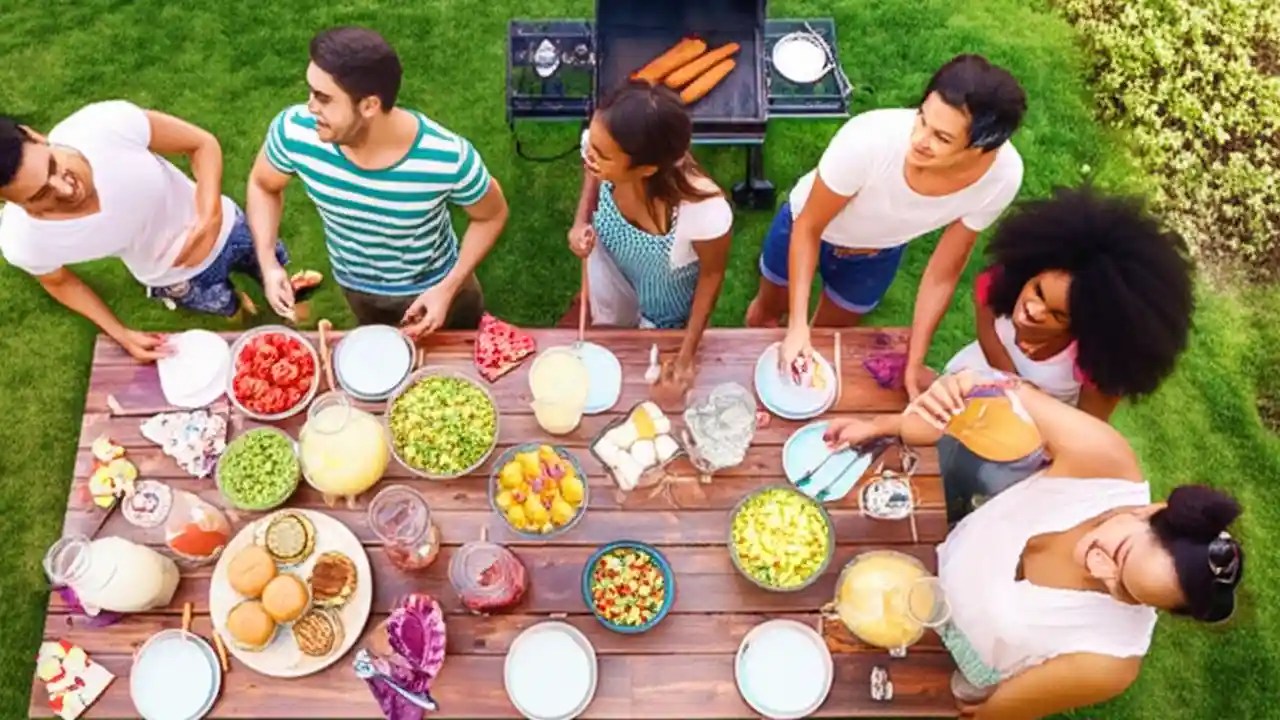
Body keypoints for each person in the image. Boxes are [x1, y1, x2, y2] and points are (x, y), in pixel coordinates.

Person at [824, 369, 1245, 720]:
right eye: (1119, 555)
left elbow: (995, 714)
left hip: (971, 659)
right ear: (1149, 510)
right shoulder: (1104, 462)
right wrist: (891, 423)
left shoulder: (1112, 663)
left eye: (1127, 591)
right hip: (933, 566)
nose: (1102, 573)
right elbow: (1004, 392)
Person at [746, 54, 1026, 398]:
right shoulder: (867, 141)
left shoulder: (1002, 178)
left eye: (941, 137)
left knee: (828, 337)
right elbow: (808, 226)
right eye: (921, 118)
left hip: (877, 254)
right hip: (803, 228)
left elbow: (944, 271)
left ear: (983, 149)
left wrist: (915, 361)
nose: (919, 140)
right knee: (767, 313)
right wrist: (797, 326)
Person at [248, 26, 508, 334]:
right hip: (355, 285)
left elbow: (491, 215)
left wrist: (448, 288)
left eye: (323, 98)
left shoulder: (446, 157)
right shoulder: (294, 133)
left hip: (438, 284)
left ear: (369, 105)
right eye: (311, 92)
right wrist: (267, 260)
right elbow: (263, 185)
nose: (310, 107)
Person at [0, 102, 305, 361]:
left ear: (33, 135)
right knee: (224, 307)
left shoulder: (103, 125)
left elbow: (200, 144)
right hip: (176, 278)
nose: (67, 189)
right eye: (40, 196)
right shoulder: (23, 241)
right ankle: (239, 309)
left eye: (53, 166)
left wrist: (209, 214)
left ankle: (289, 305)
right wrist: (120, 333)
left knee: (271, 269)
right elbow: (59, 282)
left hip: (230, 227)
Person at [944, 187, 1194, 421]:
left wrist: (1021, 407)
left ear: (1083, 327)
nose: (1033, 310)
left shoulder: (1094, 363)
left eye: (1057, 315)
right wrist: (1015, 386)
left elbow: (1087, 429)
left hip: (1034, 430)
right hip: (964, 383)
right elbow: (987, 332)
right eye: (1038, 290)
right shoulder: (1000, 282)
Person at [568, 81, 733, 398]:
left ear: (645, 169)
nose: (591, 155)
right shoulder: (602, 142)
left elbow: (712, 276)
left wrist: (686, 354)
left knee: (635, 381)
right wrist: (581, 221)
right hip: (612, 266)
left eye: (602, 155)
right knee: (607, 329)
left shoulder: (704, 210)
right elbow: (591, 166)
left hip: (662, 306)